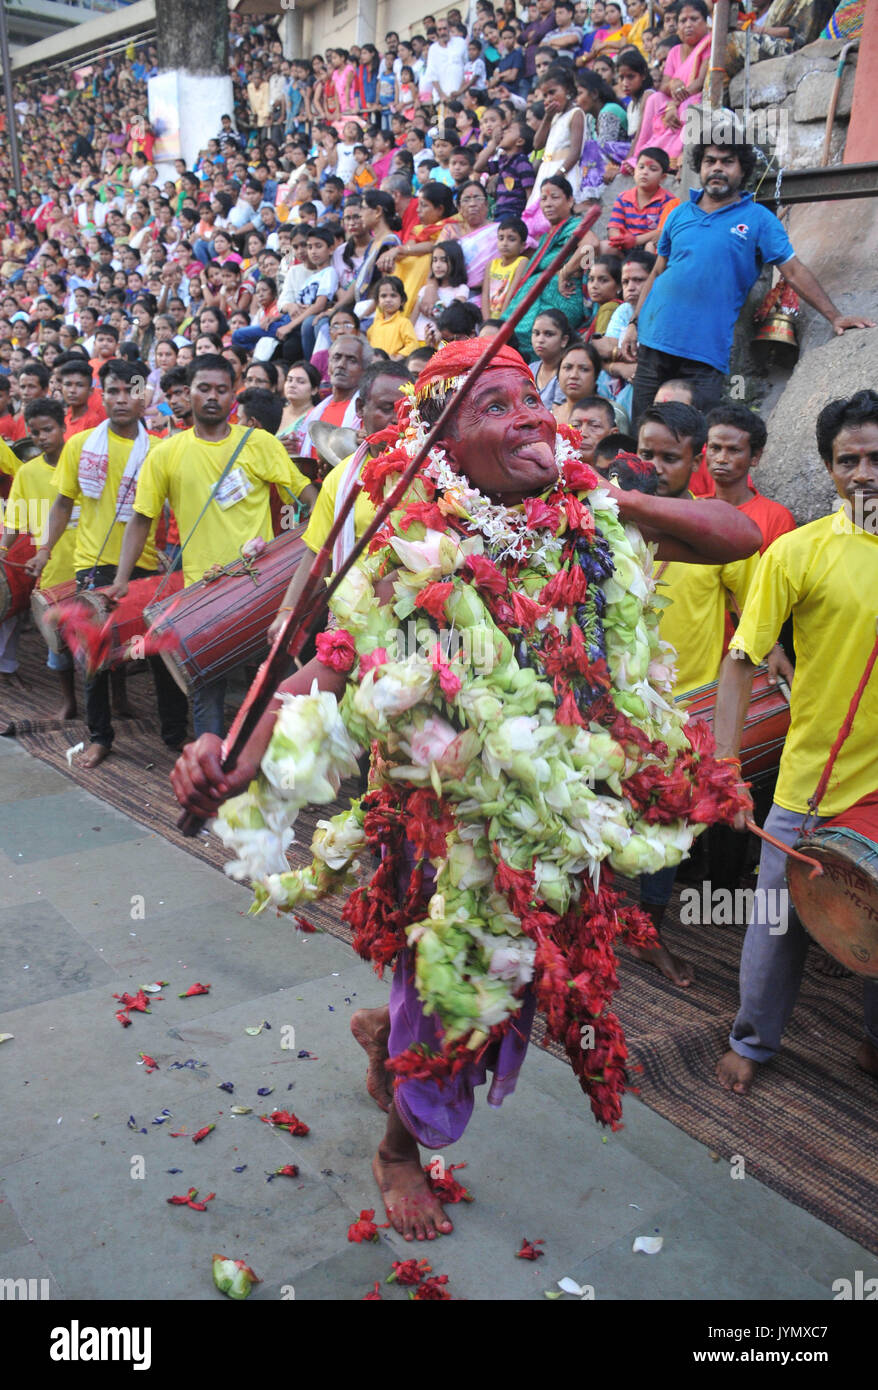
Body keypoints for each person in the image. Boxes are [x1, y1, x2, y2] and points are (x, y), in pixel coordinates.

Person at [173, 338, 761, 1240]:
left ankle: (391, 1029)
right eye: (493, 407)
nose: (526, 414)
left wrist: (609, 493)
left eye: (531, 398)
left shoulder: (588, 519)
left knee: (501, 989)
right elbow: (326, 674)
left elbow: (741, 536)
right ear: (443, 444)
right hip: (444, 822)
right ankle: (399, 1151)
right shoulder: (414, 546)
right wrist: (240, 761)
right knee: (469, 991)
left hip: (563, 814)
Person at [715, 389, 878, 1096]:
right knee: (774, 924)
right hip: (810, 783)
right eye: (850, 460)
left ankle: (873, 1044)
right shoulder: (798, 552)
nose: (866, 472)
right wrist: (725, 769)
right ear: (829, 469)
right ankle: (752, 1041)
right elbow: (741, 659)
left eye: (877, 456)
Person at [107, 355, 317, 738]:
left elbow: (307, 495)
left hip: (261, 589)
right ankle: (212, 777)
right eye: (204, 388)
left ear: (232, 397)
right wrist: (122, 579)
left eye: (221, 389)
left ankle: (281, 771)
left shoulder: (260, 444)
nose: (212, 397)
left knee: (281, 685)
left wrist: (319, 537)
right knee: (208, 692)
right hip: (201, 593)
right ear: (188, 393)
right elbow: (141, 519)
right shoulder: (165, 454)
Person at [622, 131, 875, 423]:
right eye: (710, 161)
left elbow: (792, 270)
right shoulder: (679, 215)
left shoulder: (758, 219)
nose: (717, 168)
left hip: (705, 355)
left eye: (727, 162)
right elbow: (656, 272)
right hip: (655, 341)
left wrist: (835, 316)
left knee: (692, 440)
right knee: (641, 436)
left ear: (742, 170)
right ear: (700, 167)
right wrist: (633, 323)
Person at [27, 358, 189, 766]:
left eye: (130, 391)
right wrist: (45, 549)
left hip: (147, 564)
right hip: (92, 566)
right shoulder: (80, 446)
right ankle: (100, 737)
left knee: (157, 652)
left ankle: (174, 735)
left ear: (143, 397)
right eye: (113, 391)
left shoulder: (159, 448)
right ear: (103, 395)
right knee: (93, 656)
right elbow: (62, 503)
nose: (121, 399)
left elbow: (172, 509)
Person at [268, 359, 413, 644]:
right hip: (354, 620)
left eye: (406, 410)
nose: (398, 419)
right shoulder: (341, 478)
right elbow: (317, 555)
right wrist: (287, 612)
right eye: (386, 409)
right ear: (361, 410)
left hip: (414, 623)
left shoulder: (432, 472)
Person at [0, 398, 78, 715]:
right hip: (53, 568)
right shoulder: (29, 473)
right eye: (34, 432)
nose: (41, 437)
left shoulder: (84, 463)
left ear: (63, 428)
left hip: (91, 565)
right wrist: (3, 550)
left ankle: (118, 701)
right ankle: (68, 700)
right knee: (58, 644)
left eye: (48, 429)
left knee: (100, 642)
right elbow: (16, 522)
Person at [622, 1, 712, 171]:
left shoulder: (707, 44)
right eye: (683, 21)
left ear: (705, 21)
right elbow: (663, 84)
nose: (688, 25)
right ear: (677, 26)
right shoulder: (674, 51)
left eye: (694, 19)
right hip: (673, 98)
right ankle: (641, 155)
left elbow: (699, 82)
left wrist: (673, 105)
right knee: (654, 98)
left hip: (690, 97)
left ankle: (672, 156)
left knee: (689, 105)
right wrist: (673, 83)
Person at [502, 175, 592, 343]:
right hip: (535, 300)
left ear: (570, 201)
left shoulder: (574, 225)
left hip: (559, 300)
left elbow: (590, 246)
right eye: (543, 199)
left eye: (555, 197)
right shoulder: (545, 237)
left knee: (521, 337)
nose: (548, 203)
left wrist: (565, 272)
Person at [377, 181, 456, 317]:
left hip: (428, 290)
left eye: (424, 205)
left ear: (440, 209)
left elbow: (434, 246)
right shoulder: (420, 230)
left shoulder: (451, 228)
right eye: (418, 204)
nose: (418, 210)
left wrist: (400, 250)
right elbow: (408, 247)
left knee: (425, 259)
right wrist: (393, 254)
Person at [299, 335, 368, 459]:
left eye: (352, 360)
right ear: (329, 365)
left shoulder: (366, 414)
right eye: (336, 357)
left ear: (364, 370)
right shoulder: (313, 413)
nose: (341, 365)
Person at [414, 243, 470, 345]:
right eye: (434, 260)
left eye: (443, 260)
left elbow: (451, 316)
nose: (438, 265)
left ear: (455, 262)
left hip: (440, 343)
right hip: (417, 340)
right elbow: (413, 319)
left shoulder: (461, 289)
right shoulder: (424, 290)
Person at [482, 217, 529, 321]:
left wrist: (501, 323)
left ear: (523, 245)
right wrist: (487, 322)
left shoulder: (522, 262)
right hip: (489, 321)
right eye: (501, 238)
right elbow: (485, 295)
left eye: (511, 239)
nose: (505, 243)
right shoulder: (491, 264)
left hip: (506, 319)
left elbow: (511, 294)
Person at [367, 276, 420, 359]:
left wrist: (398, 357)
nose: (388, 300)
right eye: (384, 296)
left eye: (393, 295)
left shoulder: (404, 323)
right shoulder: (374, 326)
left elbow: (413, 344)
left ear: (402, 300)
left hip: (393, 366)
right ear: (377, 301)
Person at [553, 340, 603, 426]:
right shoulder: (552, 417)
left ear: (596, 375)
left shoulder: (611, 414)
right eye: (567, 367)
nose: (573, 375)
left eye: (584, 369)